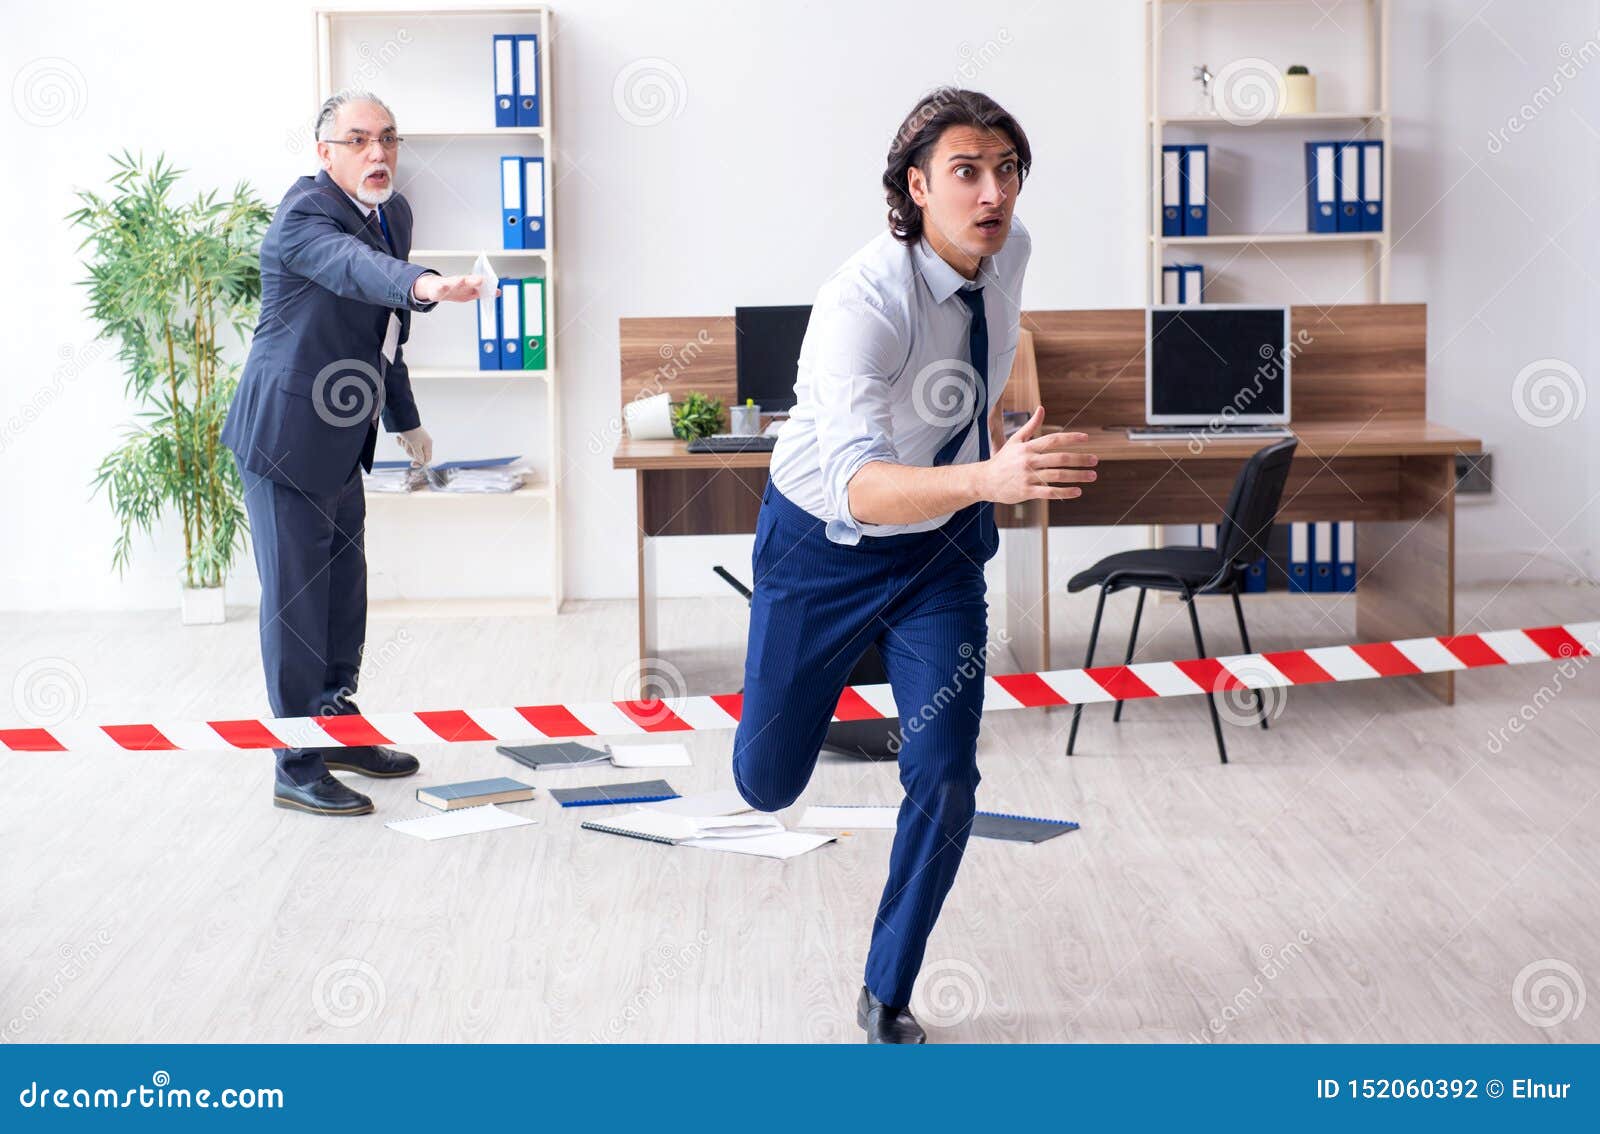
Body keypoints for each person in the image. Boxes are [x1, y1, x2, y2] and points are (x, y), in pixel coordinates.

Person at [730, 88, 1098, 1042]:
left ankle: (885, 990)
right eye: (966, 172)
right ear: (916, 187)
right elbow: (856, 488)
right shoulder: (861, 302)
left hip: (939, 551)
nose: (993, 193)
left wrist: (994, 451)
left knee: (945, 775)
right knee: (765, 782)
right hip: (824, 545)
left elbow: (987, 361)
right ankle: (818, 673)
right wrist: (989, 476)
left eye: (1006, 170)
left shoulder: (1010, 249)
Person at [221, 92, 486, 817]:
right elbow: (353, 268)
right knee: (297, 608)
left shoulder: (394, 213)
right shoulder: (302, 216)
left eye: (389, 138)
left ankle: (337, 727)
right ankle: (296, 763)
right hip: (285, 438)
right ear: (325, 152)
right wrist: (425, 282)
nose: (379, 153)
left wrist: (406, 418)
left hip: (344, 436)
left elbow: (384, 329)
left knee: (343, 598)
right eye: (360, 139)